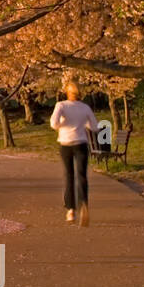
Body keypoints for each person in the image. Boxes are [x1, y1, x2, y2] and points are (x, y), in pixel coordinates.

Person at [50, 82, 96, 226]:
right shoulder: (85, 107)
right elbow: (94, 126)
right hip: (81, 143)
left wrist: (63, 124)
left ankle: (71, 210)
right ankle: (84, 205)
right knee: (82, 176)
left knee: (68, 176)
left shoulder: (61, 105)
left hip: (66, 144)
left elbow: (54, 123)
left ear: (67, 93)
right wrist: (82, 124)